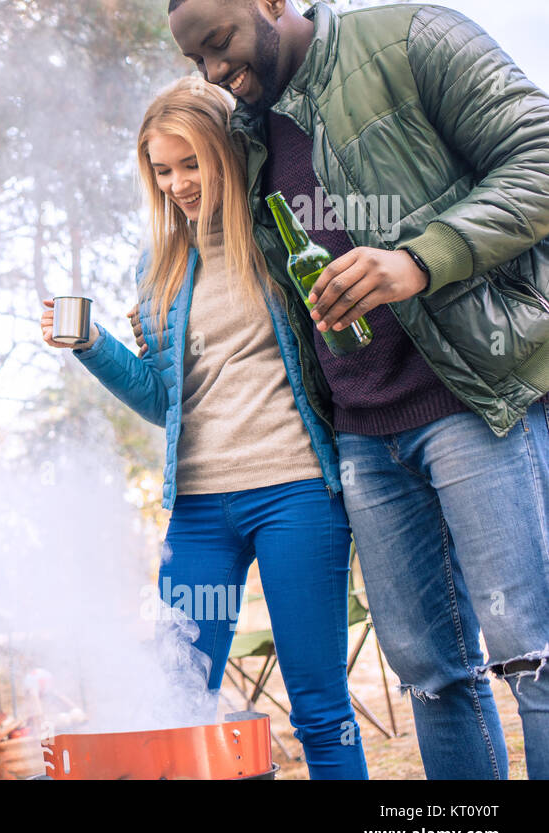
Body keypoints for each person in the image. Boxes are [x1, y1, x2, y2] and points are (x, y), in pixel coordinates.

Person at [167, 0, 549, 779]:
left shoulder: (413, 41)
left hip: (473, 401)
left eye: (219, 43)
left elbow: (541, 158)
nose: (211, 68)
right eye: (195, 58)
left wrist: (418, 258)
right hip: (366, 437)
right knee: (430, 678)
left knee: (534, 653)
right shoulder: (249, 129)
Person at [40, 78, 368, 779]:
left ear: (225, 153)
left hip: (297, 494)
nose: (179, 183)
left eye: (192, 163)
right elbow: (165, 402)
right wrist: (92, 344)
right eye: (163, 170)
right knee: (177, 700)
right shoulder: (157, 269)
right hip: (197, 509)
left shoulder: (279, 241)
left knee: (318, 706)